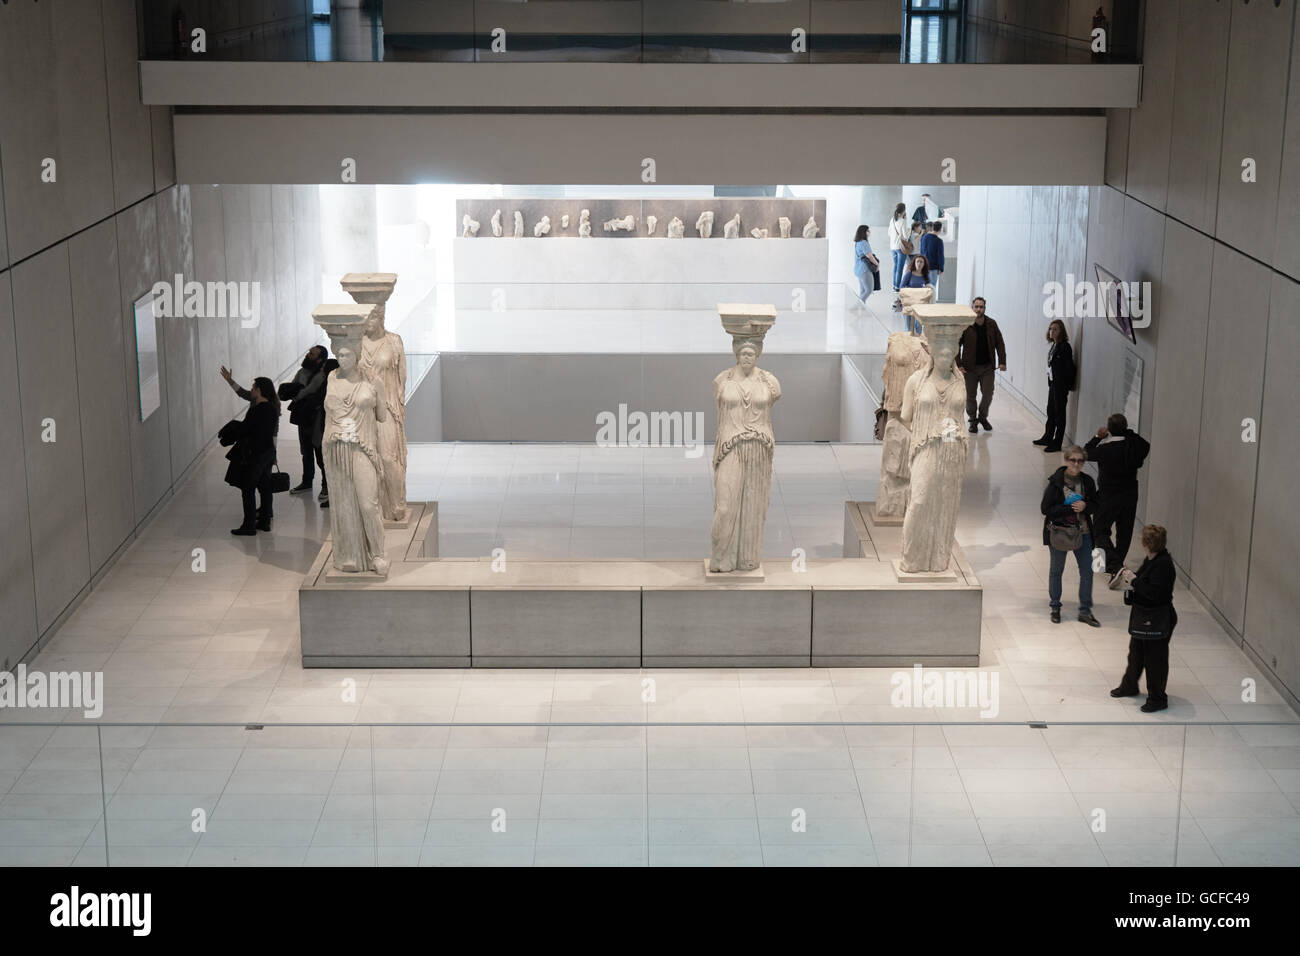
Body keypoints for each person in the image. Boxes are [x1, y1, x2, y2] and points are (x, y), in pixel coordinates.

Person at [1110, 524, 1177, 712]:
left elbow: (1152, 593)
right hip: (1146, 616)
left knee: (1155, 660)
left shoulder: (1163, 565)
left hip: (1158, 618)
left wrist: (1133, 580)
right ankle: (1129, 685)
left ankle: (1157, 698)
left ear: (1147, 543)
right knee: (1136, 653)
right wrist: (1134, 578)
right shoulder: (1152, 559)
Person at [1085, 412, 1151, 587]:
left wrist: (1097, 437)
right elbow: (1145, 444)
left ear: (1109, 430)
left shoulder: (1105, 450)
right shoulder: (1133, 447)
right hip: (1130, 493)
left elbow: (1085, 452)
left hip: (1109, 494)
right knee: (1125, 532)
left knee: (1099, 529)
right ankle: (1115, 567)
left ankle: (1109, 566)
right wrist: (1126, 432)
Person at [1040, 445, 1100, 626]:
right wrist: (1071, 506)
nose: (1076, 464)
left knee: (1088, 571)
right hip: (1060, 532)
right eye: (1073, 460)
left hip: (1084, 533)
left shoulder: (1088, 481)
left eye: (1080, 461)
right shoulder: (1056, 482)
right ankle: (1055, 607)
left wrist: (1085, 507)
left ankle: (1085, 610)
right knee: (1056, 571)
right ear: (1066, 460)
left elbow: (1096, 505)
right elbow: (1046, 509)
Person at [218, 369, 281, 535]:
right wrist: (274, 454)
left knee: (248, 488)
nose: (251, 390)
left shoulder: (257, 409)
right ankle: (265, 522)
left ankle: (249, 525)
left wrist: (233, 430)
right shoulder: (273, 408)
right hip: (268, 452)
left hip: (256, 454)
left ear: (259, 390)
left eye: (253, 388)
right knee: (265, 487)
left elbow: (247, 429)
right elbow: (272, 432)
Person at [955, 297, 1007, 433]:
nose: (979, 309)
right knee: (970, 396)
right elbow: (956, 345)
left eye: (981, 307)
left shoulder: (991, 324)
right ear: (972, 308)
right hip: (969, 368)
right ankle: (972, 420)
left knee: (988, 393)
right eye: (976, 306)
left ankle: (982, 417)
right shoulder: (966, 324)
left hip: (987, 367)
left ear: (985, 308)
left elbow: (999, 343)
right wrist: (958, 364)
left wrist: (1002, 361)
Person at [284, 346, 330, 496]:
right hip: (303, 416)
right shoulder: (302, 372)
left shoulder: (323, 375)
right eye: (309, 352)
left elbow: (309, 391)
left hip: (316, 418)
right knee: (306, 451)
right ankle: (307, 482)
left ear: (320, 359)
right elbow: (292, 387)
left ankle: (326, 485)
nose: (308, 355)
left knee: (320, 452)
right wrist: (294, 393)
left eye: (312, 354)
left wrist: (298, 395)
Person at [1035, 319, 1075, 451]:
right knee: (1050, 411)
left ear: (1061, 331)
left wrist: (1064, 385)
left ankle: (1057, 443)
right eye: (1051, 329)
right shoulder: (1054, 346)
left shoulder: (1065, 347)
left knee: (1059, 414)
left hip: (1060, 386)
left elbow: (1069, 368)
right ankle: (1047, 437)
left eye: (1055, 329)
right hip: (1053, 384)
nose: (1052, 331)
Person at [899, 254, 932, 334]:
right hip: (908, 303)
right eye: (918, 262)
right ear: (914, 263)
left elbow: (929, 289)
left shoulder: (926, 276)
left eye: (921, 262)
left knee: (919, 327)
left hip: (920, 304)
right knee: (908, 328)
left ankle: (917, 343)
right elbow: (901, 287)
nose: (919, 264)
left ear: (924, 264)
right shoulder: (909, 274)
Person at [852, 225, 881, 302]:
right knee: (869, 290)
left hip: (859, 269)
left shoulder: (858, 242)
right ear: (863, 232)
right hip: (865, 269)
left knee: (863, 290)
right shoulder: (864, 242)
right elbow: (869, 256)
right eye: (868, 231)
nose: (869, 232)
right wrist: (877, 264)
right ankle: (857, 306)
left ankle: (861, 309)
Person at [919, 221, 945, 301]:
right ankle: (930, 303)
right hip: (933, 267)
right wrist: (941, 268)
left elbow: (921, 251)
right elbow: (940, 256)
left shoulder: (924, 237)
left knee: (925, 285)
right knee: (932, 286)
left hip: (924, 265)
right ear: (940, 229)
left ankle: (924, 301)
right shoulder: (939, 241)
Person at [888, 203, 910, 293]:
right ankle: (897, 287)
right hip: (900, 248)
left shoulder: (892, 220)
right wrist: (910, 230)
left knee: (896, 267)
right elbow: (905, 236)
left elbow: (889, 233)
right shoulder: (903, 221)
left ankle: (894, 286)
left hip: (892, 247)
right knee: (900, 268)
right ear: (904, 210)